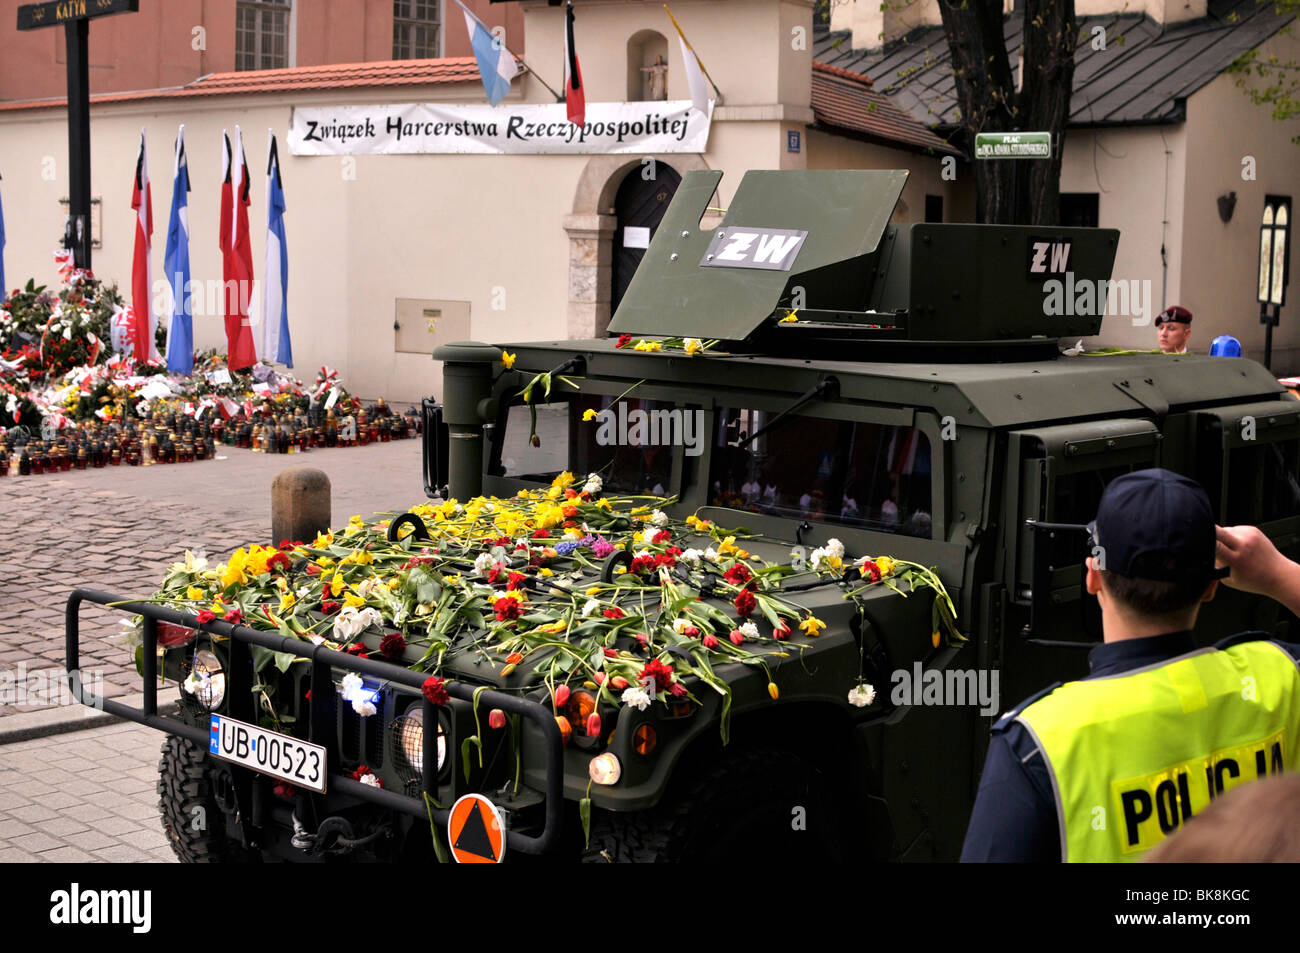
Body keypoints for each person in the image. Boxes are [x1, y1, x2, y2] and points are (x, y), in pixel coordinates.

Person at [960, 469, 1300, 862]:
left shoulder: (1038, 744)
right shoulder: (1281, 675)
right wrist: (1278, 574)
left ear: (1093, 577)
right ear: (1211, 586)